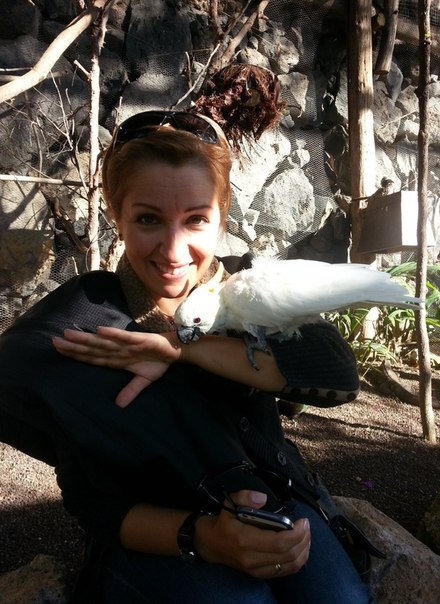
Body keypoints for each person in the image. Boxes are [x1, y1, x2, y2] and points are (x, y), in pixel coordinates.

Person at [0, 110, 376, 603]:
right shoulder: (90, 315)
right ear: (116, 213)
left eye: (196, 219)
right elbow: (91, 500)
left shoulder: (251, 286)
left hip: (275, 500)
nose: (173, 250)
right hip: (158, 533)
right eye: (148, 219)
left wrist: (183, 351)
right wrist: (204, 536)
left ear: (222, 212)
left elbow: (336, 372)